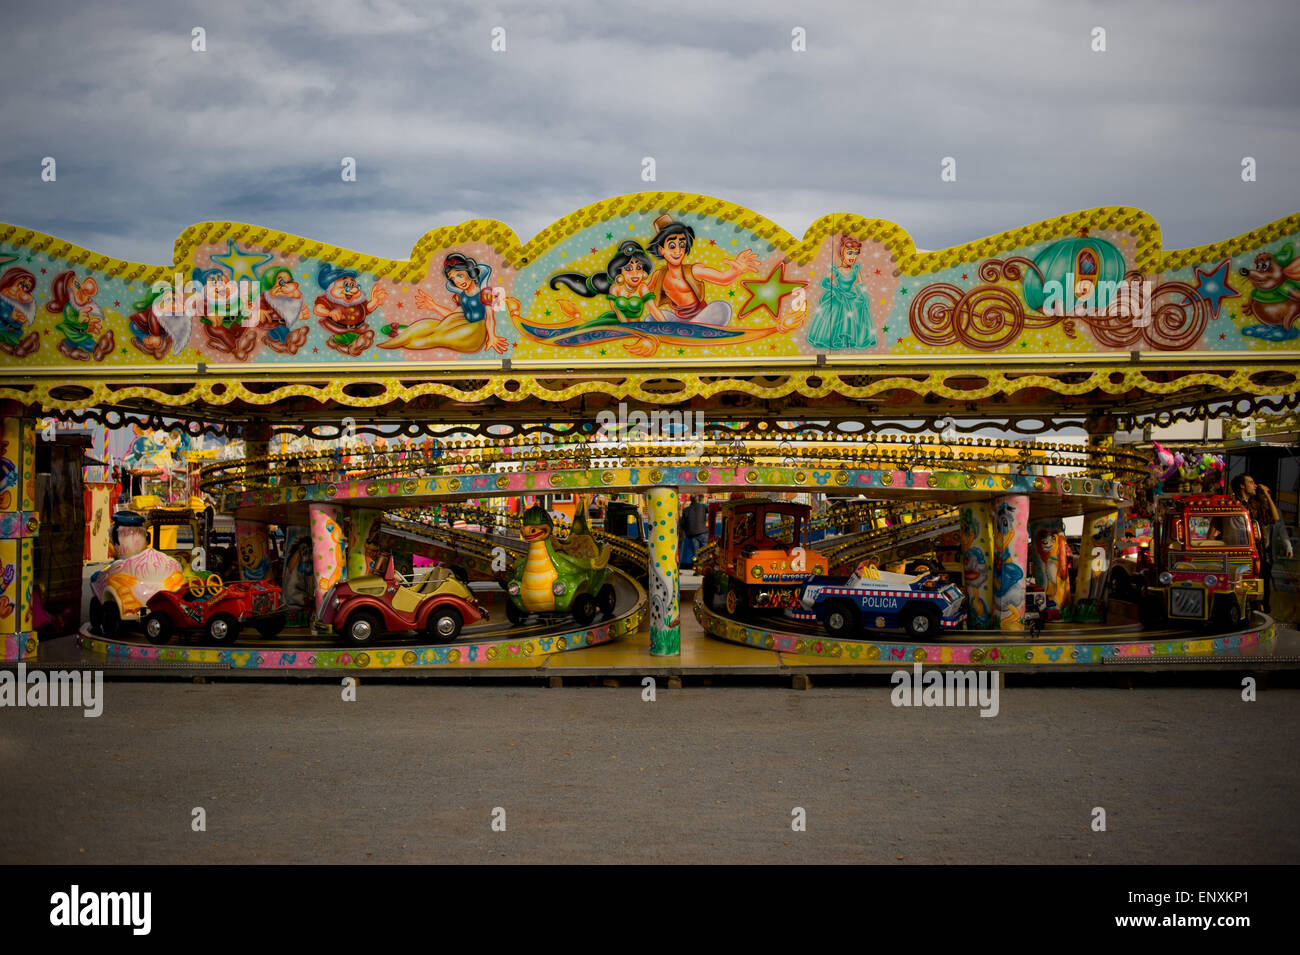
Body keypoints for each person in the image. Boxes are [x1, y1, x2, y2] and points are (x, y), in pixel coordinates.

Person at [1231, 473, 1280, 613]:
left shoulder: (1256, 505)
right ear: (1242, 485)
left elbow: (1274, 517)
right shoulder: (1232, 504)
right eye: (1251, 482)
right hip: (1237, 553)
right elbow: (1217, 526)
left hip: (1258, 553)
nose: (1255, 485)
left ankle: (1261, 609)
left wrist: (1266, 494)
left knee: (1262, 587)